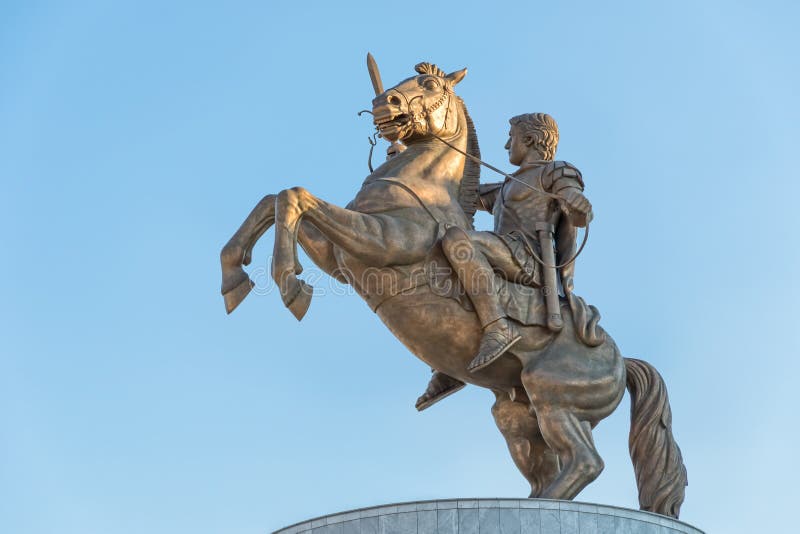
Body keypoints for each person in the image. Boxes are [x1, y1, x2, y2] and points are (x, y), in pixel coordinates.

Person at [415, 113, 593, 411]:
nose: (507, 144)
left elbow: (574, 205)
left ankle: (498, 328)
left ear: (531, 139)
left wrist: (578, 203)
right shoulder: (507, 185)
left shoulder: (555, 171)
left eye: (512, 137)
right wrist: (409, 154)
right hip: (504, 253)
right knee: (442, 252)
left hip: (528, 259)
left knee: (457, 240)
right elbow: (456, 193)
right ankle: (448, 362)